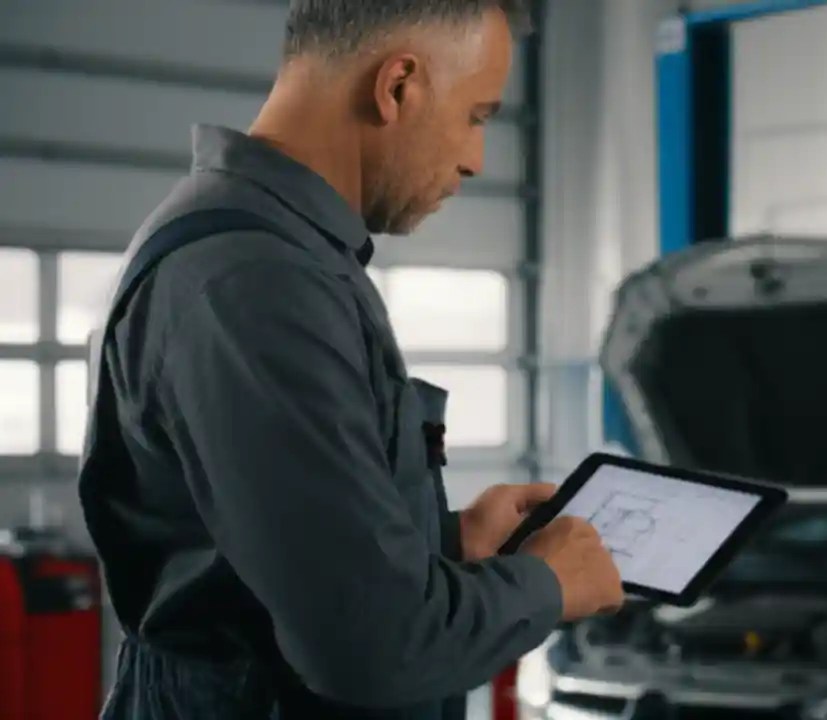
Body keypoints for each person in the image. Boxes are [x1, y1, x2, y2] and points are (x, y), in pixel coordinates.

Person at [77, 1, 624, 718]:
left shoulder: (261, 252)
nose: (475, 159)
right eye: (477, 116)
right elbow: (376, 647)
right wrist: (548, 583)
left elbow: (255, 554)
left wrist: (447, 541)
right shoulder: (256, 283)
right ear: (398, 85)